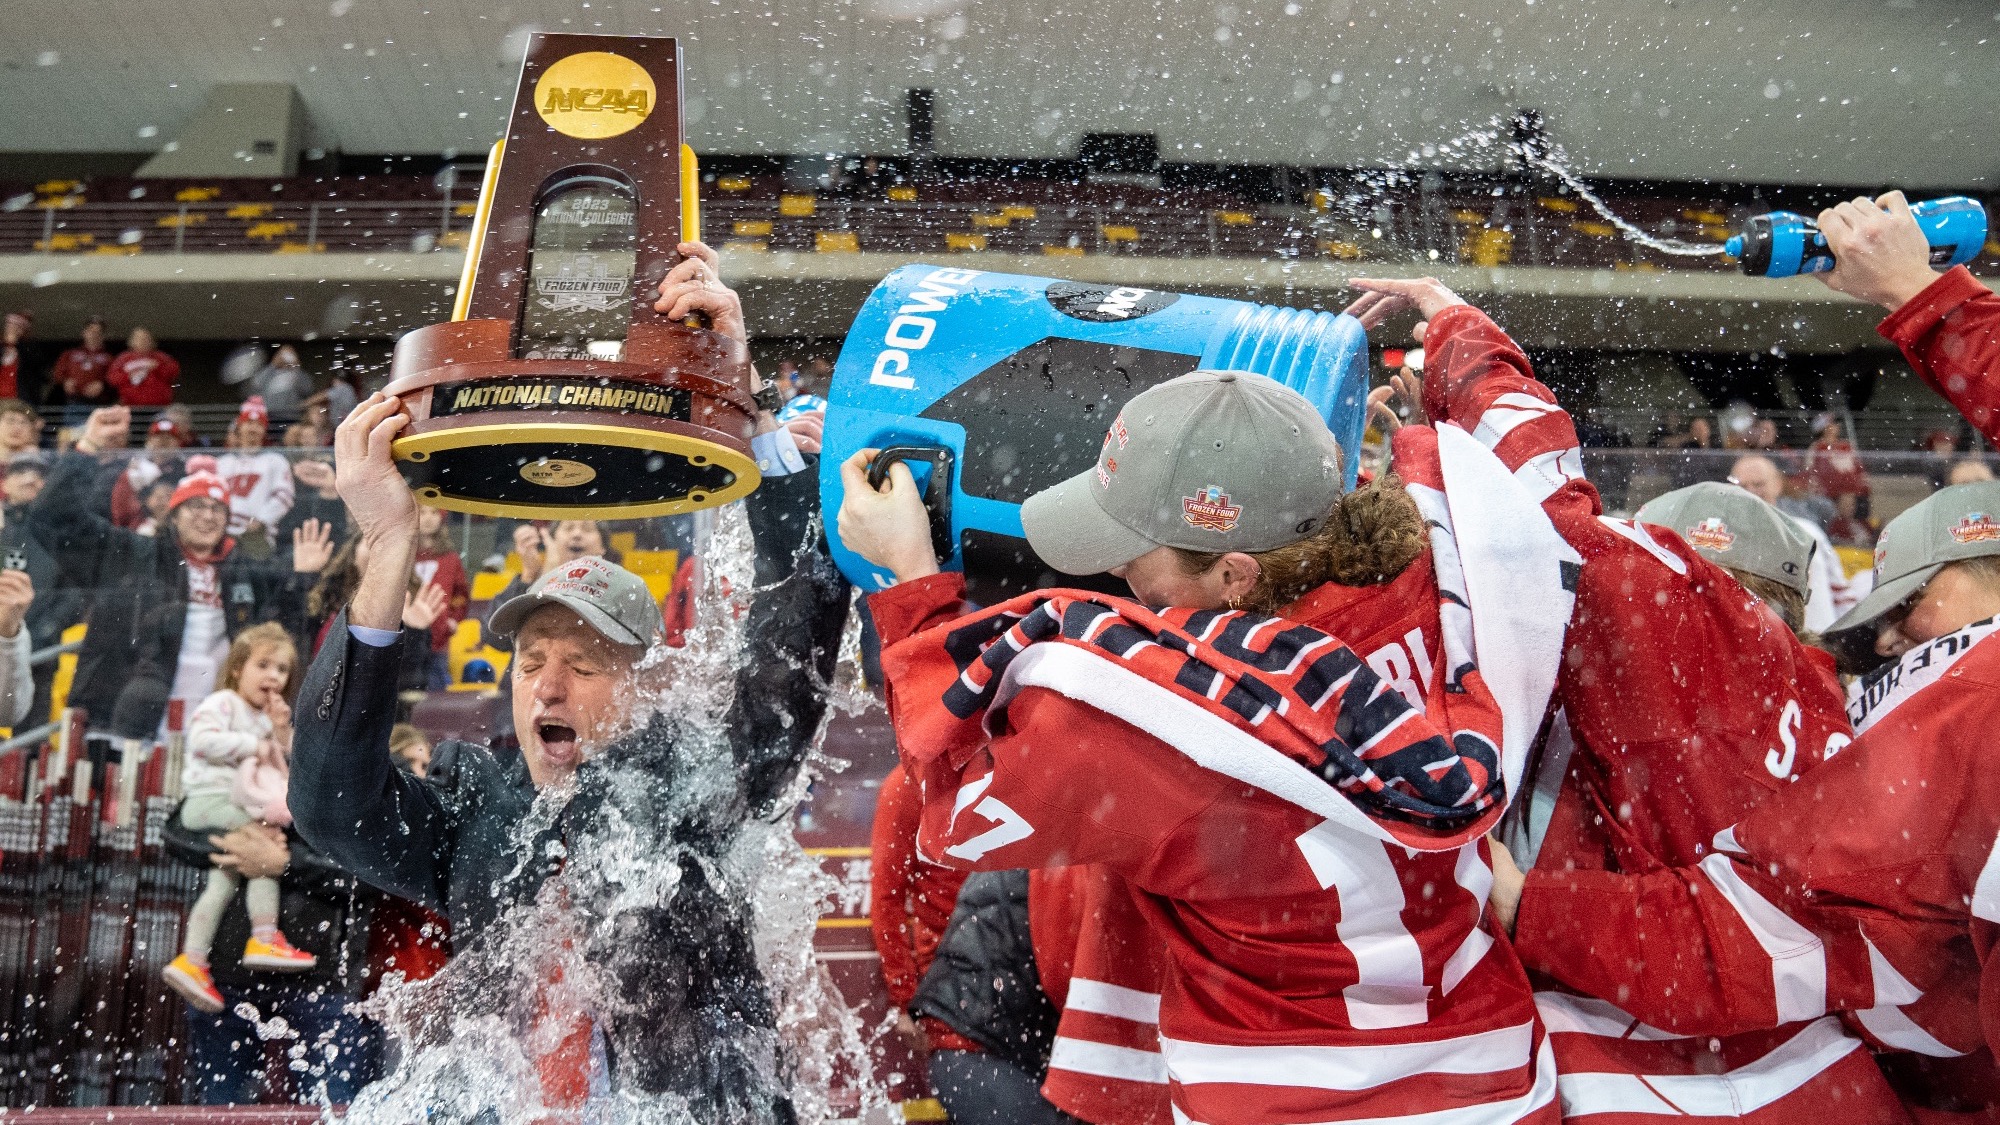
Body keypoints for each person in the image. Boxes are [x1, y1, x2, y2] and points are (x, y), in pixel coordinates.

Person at [839, 365, 1575, 1123]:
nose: (1118, 568)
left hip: (1283, 1098)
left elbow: (955, 786)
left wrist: (911, 579)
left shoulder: (1166, 724)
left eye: (1138, 548)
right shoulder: (1432, 590)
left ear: (1235, 574)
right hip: (1492, 1079)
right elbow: (1509, 488)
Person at [289, 241, 851, 1117]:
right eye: (531, 661)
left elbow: (786, 672)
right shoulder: (480, 812)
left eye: (584, 665)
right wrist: (387, 541)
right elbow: (330, 802)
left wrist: (743, 409)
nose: (546, 688)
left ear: (644, 684)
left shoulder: (705, 784)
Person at [1352, 276, 1905, 1120]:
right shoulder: (1830, 707)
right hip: (1822, 1076)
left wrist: (1462, 360)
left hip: (1644, 1074)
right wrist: (1427, 477)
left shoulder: (1676, 643)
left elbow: (1553, 526)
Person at [1490, 479, 2000, 1114]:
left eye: (1910, 605)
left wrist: (1528, 907)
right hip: (1836, 1082)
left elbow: (1735, 943)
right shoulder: (1865, 731)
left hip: (1630, 1060)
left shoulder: (1941, 729)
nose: (1893, 642)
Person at [32, 407, 324, 742]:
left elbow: (280, 631)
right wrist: (88, 448)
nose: (207, 517)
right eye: (196, 506)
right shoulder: (135, 554)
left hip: (213, 728)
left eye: (217, 509)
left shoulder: (242, 572)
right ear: (174, 516)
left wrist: (302, 577)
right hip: (125, 721)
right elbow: (53, 518)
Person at [161, 624, 317, 1013]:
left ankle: (192, 960)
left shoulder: (266, 718)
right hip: (208, 801)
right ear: (235, 669)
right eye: (262, 665)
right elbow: (201, 739)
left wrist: (282, 732)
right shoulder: (223, 703)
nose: (273, 676)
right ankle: (264, 935)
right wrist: (257, 744)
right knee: (263, 850)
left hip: (231, 805)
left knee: (224, 879)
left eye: (281, 670)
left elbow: (287, 765)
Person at [1730, 453, 1860, 631]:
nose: (1751, 491)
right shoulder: (1723, 540)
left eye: (1759, 484)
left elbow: (1841, 593)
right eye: (1742, 486)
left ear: (1777, 485)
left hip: (1817, 643)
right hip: (1758, 645)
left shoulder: (1807, 532)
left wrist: (1847, 635)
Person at [214, 397, 295, 551]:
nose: (253, 429)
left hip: (259, 539)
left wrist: (262, 520)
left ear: (264, 429)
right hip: (221, 537)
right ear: (239, 427)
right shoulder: (222, 463)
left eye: (258, 424)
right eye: (249, 423)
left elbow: (284, 496)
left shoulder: (276, 461)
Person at [412, 507, 469, 689]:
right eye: (423, 512)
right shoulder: (405, 556)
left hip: (439, 640)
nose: (428, 518)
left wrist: (453, 619)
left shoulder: (451, 559)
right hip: (408, 639)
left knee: (436, 694)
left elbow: (461, 595)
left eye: (434, 512)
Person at [48, 315, 115, 424]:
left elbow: (114, 378)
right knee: (71, 436)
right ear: (84, 332)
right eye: (91, 331)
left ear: (103, 336)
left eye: (98, 332)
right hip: (74, 403)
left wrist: (103, 385)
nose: (94, 334)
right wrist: (65, 381)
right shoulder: (70, 354)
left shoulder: (109, 358)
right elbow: (57, 373)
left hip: (99, 404)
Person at [105, 327, 181, 410]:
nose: (143, 342)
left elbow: (174, 373)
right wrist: (128, 376)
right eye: (140, 339)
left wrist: (158, 367)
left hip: (160, 406)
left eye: (146, 339)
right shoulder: (123, 359)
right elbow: (112, 378)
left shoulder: (162, 358)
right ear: (132, 341)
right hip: (130, 406)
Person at [251, 345, 312, 424]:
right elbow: (256, 384)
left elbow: (307, 389)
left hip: (290, 416)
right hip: (269, 415)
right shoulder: (269, 372)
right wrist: (273, 365)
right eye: (283, 354)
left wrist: (296, 367)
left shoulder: (298, 374)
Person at [0, 312, 32, 402]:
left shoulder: (27, 349)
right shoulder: (2, 347)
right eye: (9, 326)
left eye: (16, 327)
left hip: (18, 400)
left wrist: (16, 344)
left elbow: (33, 366)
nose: (12, 330)